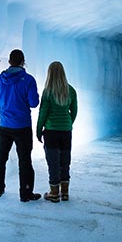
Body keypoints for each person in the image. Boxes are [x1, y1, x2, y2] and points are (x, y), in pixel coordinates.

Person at [0, 49, 42, 201]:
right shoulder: (28, 80)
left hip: (4, 126)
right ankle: (25, 194)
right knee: (24, 160)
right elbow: (34, 103)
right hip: (22, 127)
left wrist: (6, 102)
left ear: (9, 61)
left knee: (0, 158)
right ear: (22, 61)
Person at [36, 61, 78, 202]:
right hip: (66, 131)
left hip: (51, 131)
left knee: (53, 162)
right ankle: (65, 193)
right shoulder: (70, 90)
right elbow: (74, 111)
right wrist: (67, 123)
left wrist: (38, 130)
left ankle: (54, 193)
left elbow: (43, 113)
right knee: (65, 161)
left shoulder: (48, 92)